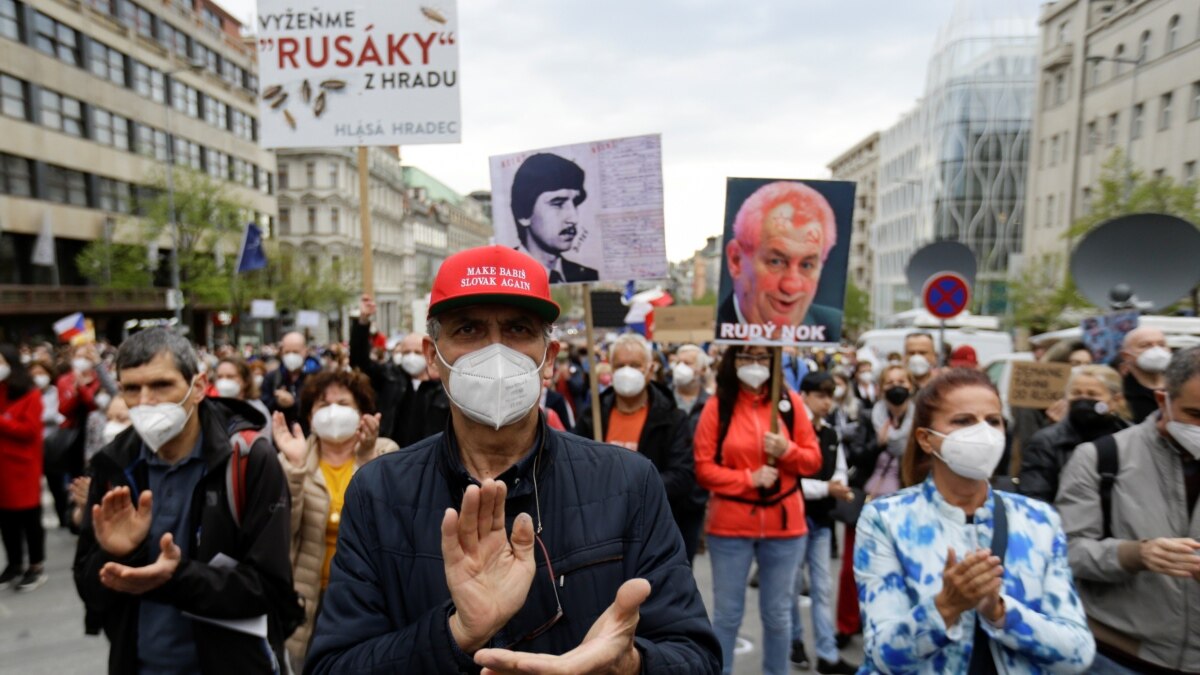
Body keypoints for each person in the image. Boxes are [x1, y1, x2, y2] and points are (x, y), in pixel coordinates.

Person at [304, 245, 720, 673]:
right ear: (433, 357)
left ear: (549, 358)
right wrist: (455, 634)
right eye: (468, 330)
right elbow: (333, 665)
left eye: (518, 329)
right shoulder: (379, 492)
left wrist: (629, 665)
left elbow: (696, 657)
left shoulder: (628, 483)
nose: (496, 353)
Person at [73, 328, 298, 675]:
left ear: (196, 387)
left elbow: (269, 590)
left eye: (161, 385)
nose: (145, 401)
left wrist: (176, 577)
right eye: (132, 388)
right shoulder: (112, 464)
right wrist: (118, 554)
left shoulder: (248, 460)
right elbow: (91, 591)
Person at [855, 369, 1095, 673]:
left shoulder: (1039, 521)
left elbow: (1077, 652)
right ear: (926, 439)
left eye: (993, 421)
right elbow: (884, 656)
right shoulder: (887, 519)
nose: (984, 434)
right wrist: (945, 607)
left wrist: (1000, 612)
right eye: (963, 421)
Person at [1056, 346, 1200, 673]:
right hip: (1118, 655)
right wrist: (1135, 555)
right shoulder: (1101, 458)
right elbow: (1066, 551)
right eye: (1196, 415)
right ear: (1163, 401)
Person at [693, 344, 823, 675]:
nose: (754, 363)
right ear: (733, 361)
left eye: (762, 356)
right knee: (726, 616)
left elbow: (813, 460)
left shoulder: (790, 404)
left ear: (774, 359)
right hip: (730, 527)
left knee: (778, 615)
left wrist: (787, 449)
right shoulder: (717, 406)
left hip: (784, 527)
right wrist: (748, 478)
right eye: (746, 356)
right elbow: (704, 469)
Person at [270, 370, 398, 672]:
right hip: (307, 595)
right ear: (310, 416)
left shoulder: (386, 452)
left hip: (365, 594)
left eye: (343, 403)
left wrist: (366, 460)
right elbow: (283, 531)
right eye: (323, 405)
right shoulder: (293, 458)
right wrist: (297, 469)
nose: (333, 412)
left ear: (363, 412)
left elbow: (389, 528)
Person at [575, 333, 707, 564]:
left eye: (635, 365)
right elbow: (575, 469)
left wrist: (628, 490)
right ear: (611, 369)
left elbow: (682, 477)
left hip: (656, 533)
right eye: (620, 365)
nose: (628, 371)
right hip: (601, 535)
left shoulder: (672, 419)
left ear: (650, 369)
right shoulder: (592, 417)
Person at [790, 372, 857, 674]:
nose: (827, 402)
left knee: (822, 588)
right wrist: (826, 488)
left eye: (830, 395)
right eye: (821, 395)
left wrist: (838, 485)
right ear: (804, 395)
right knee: (790, 588)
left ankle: (827, 655)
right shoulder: (792, 429)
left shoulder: (830, 433)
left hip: (822, 521)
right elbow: (788, 481)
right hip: (793, 518)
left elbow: (840, 469)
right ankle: (794, 642)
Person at [716, 181, 842, 341]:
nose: (791, 285)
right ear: (736, 260)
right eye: (776, 262)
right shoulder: (711, 329)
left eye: (806, 265)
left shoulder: (832, 327)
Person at [349, 294, 450, 447]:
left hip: (431, 459)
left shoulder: (443, 387)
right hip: (391, 455)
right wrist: (363, 322)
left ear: (429, 353)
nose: (411, 357)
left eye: (417, 352)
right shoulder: (389, 378)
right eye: (406, 352)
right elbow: (359, 361)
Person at [1019, 365, 1128, 504]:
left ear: (1115, 401)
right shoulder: (1046, 441)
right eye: (1076, 393)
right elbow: (1035, 496)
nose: (1083, 400)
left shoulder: (1131, 438)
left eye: (1092, 394)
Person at [0, 343, 47, 592]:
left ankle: (36, 566)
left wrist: (3, 422)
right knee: (6, 521)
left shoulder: (30, 393)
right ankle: (14, 564)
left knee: (29, 519)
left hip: (22, 468)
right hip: (2, 470)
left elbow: (29, 431)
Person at [510, 152, 599, 283]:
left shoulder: (588, 276)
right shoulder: (501, 277)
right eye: (558, 204)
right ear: (524, 214)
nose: (573, 218)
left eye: (575, 203)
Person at [1118, 326, 1170, 424]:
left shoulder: (1183, 389)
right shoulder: (1120, 394)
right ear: (1126, 356)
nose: (1156, 350)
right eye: (1145, 345)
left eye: (1161, 344)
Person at [261, 331, 310, 432]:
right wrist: (277, 401)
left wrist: (293, 403)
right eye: (287, 352)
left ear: (305, 351)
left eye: (295, 352)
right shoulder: (272, 378)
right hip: (278, 436)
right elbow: (263, 409)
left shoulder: (315, 377)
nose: (291, 356)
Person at [672, 343, 712, 428]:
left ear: (703, 370)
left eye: (687, 363)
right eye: (678, 363)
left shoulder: (710, 403)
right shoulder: (663, 399)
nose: (680, 367)